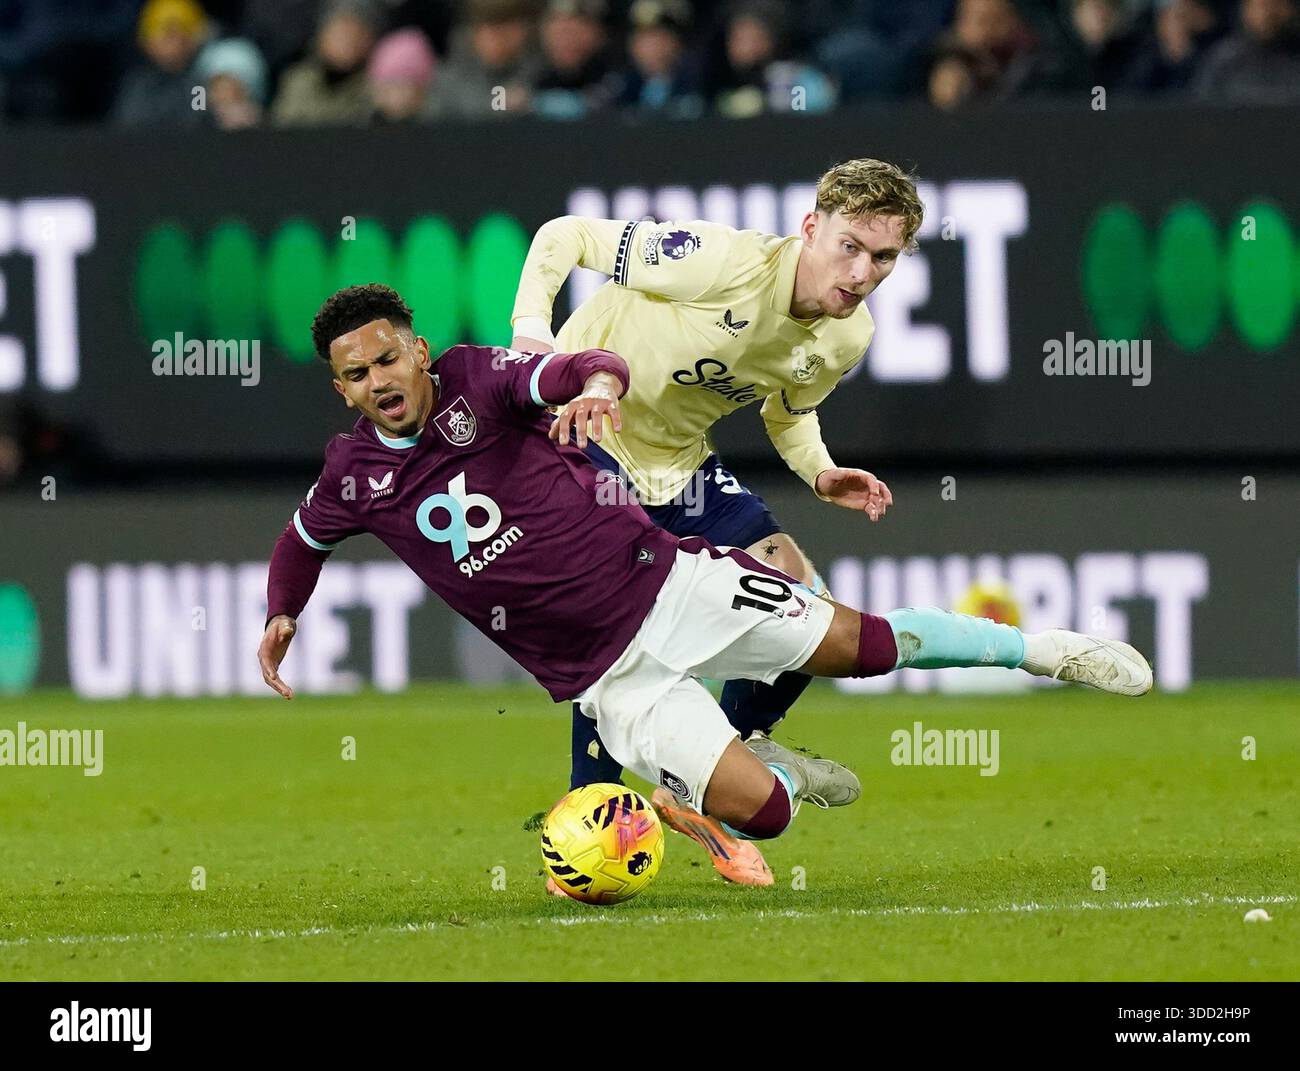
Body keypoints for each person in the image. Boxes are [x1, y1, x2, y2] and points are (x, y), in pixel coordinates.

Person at [258, 285, 1153, 888]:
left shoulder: (476, 379)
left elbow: (567, 369)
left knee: (866, 647)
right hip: (609, 683)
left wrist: (602, 383)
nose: (380, 382)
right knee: (764, 817)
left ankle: (1050, 651)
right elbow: (302, 541)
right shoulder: (351, 476)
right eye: (357, 374)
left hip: (674, 586)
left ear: (416, 351)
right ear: (341, 390)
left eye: (387, 361)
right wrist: (281, 614)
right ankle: (769, 766)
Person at [509, 158, 917, 886]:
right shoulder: (719, 261)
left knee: (807, 604)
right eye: (849, 245)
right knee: (625, 625)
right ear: (811, 228)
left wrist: (820, 470)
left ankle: (724, 762)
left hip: (678, 465)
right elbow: (565, 235)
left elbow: (788, 411)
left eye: (883, 256)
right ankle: (589, 812)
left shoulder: (846, 336)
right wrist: (533, 337)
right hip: (581, 438)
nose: (862, 271)